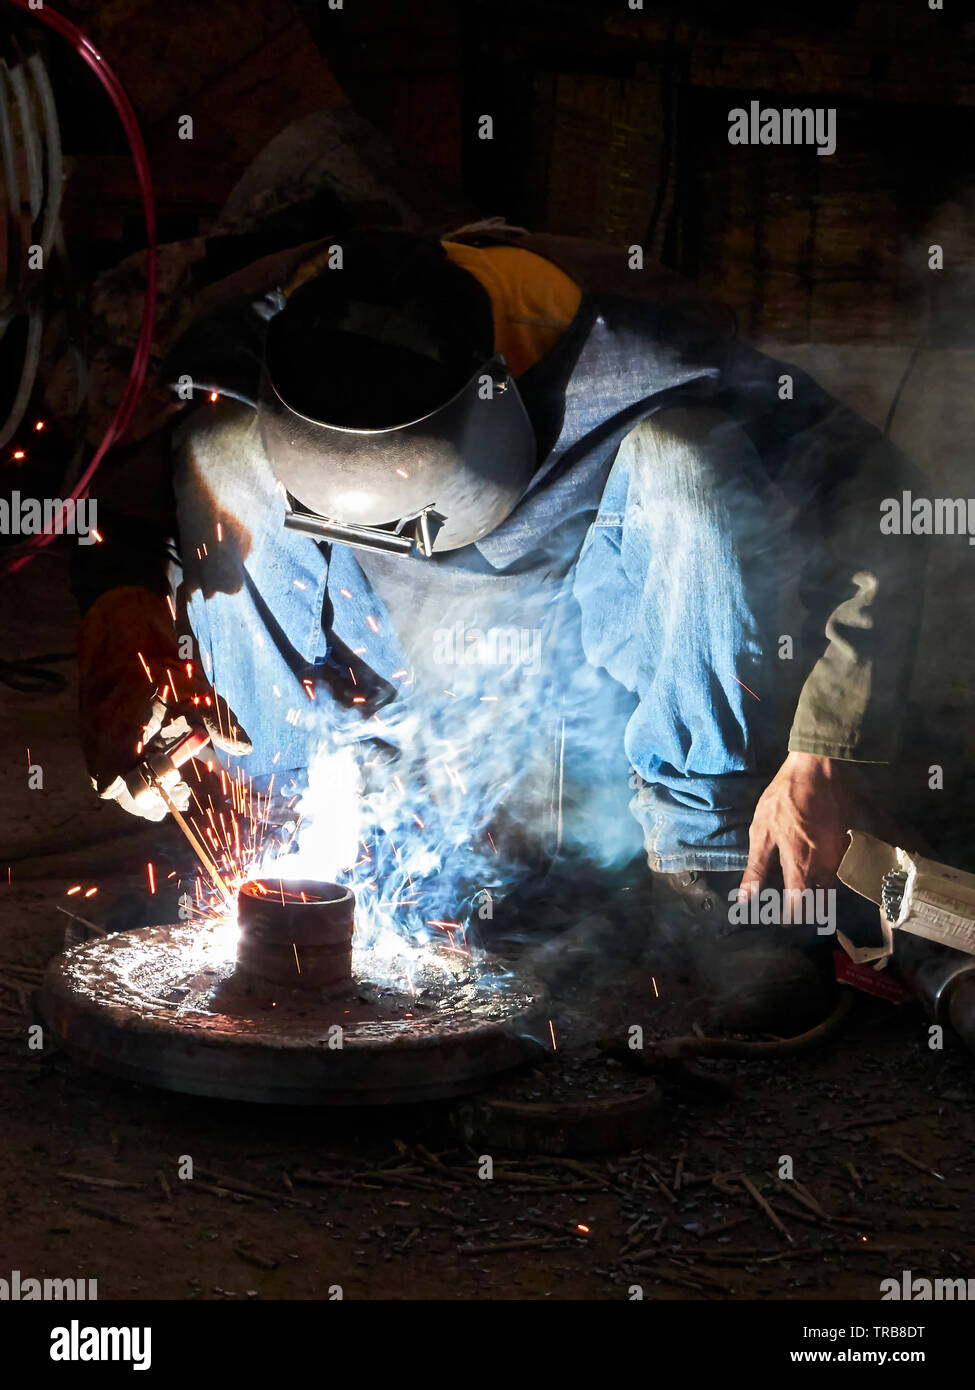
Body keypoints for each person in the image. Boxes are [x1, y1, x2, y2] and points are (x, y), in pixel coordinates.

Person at [73, 224, 926, 1030]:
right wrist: (117, 612)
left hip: (584, 674)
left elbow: (894, 501)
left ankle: (703, 872)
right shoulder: (241, 338)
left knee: (688, 459)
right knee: (218, 449)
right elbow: (107, 487)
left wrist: (825, 748)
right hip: (367, 683)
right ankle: (270, 855)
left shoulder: (652, 350)